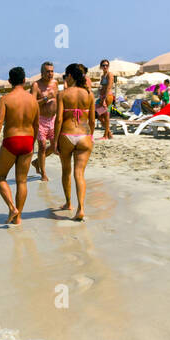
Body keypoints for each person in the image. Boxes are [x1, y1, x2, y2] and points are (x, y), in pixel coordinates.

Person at [0, 67, 40, 226]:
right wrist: (32, 143)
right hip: (28, 141)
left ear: (9, 81)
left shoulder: (5, 99)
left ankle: (12, 208)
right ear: (25, 80)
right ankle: (18, 219)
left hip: (12, 140)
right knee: (22, 181)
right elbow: (36, 124)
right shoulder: (33, 100)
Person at [54, 63, 94, 220]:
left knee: (66, 171)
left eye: (66, 75)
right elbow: (92, 120)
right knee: (80, 174)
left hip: (67, 134)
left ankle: (68, 203)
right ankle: (81, 208)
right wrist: (91, 137)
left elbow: (59, 120)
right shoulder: (89, 94)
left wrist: (55, 141)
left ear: (70, 76)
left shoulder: (63, 94)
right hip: (84, 136)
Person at [31, 61, 60, 182]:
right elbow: (32, 103)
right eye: (48, 71)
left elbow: (58, 100)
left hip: (53, 119)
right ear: (42, 72)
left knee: (55, 147)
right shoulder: (36, 85)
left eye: (52, 71)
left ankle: (37, 162)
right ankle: (43, 174)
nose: (50, 74)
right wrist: (46, 98)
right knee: (42, 146)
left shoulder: (55, 83)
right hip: (41, 119)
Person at [95, 59, 115, 140]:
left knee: (106, 116)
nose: (105, 66)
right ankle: (109, 133)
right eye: (103, 65)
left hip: (108, 97)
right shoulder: (103, 76)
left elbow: (109, 87)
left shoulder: (110, 75)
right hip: (102, 96)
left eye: (106, 65)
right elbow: (102, 86)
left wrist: (104, 99)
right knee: (99, 115)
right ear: (101, 67)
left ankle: (106, 135)